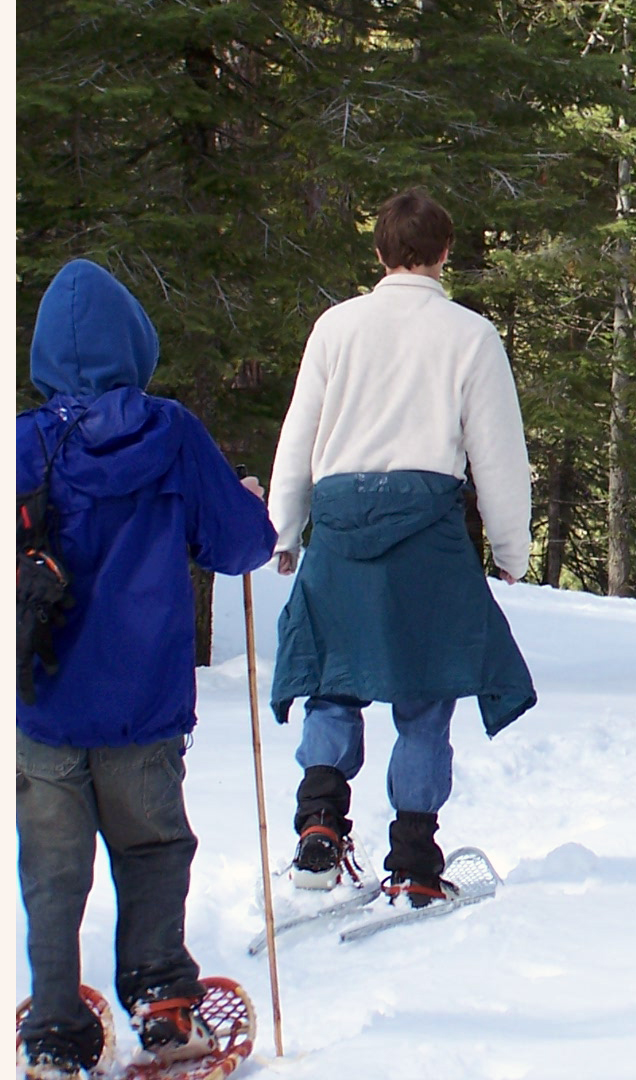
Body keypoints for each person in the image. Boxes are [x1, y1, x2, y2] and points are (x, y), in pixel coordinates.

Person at [16, 260, 277, 1079]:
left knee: (54, 872)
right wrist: (244, 498)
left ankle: (55, 1030)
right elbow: (241, 546)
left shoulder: (22, 443)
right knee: (154, 849)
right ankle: (164, 1007)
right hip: (144, 704)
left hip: (42, 702)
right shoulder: (170, 433)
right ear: (135, 344)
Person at [267, 188, 537, 907]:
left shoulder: (336, 327)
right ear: (445, 254)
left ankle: (320, 822)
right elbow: (498, 452)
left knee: (332, 675)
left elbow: (301, 432)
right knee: (425, 690)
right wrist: (511, 546)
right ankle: (415, 855)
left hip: (341, 519)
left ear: (379, 252)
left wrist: (283, 529)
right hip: (426, 525)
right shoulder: (470, 334)